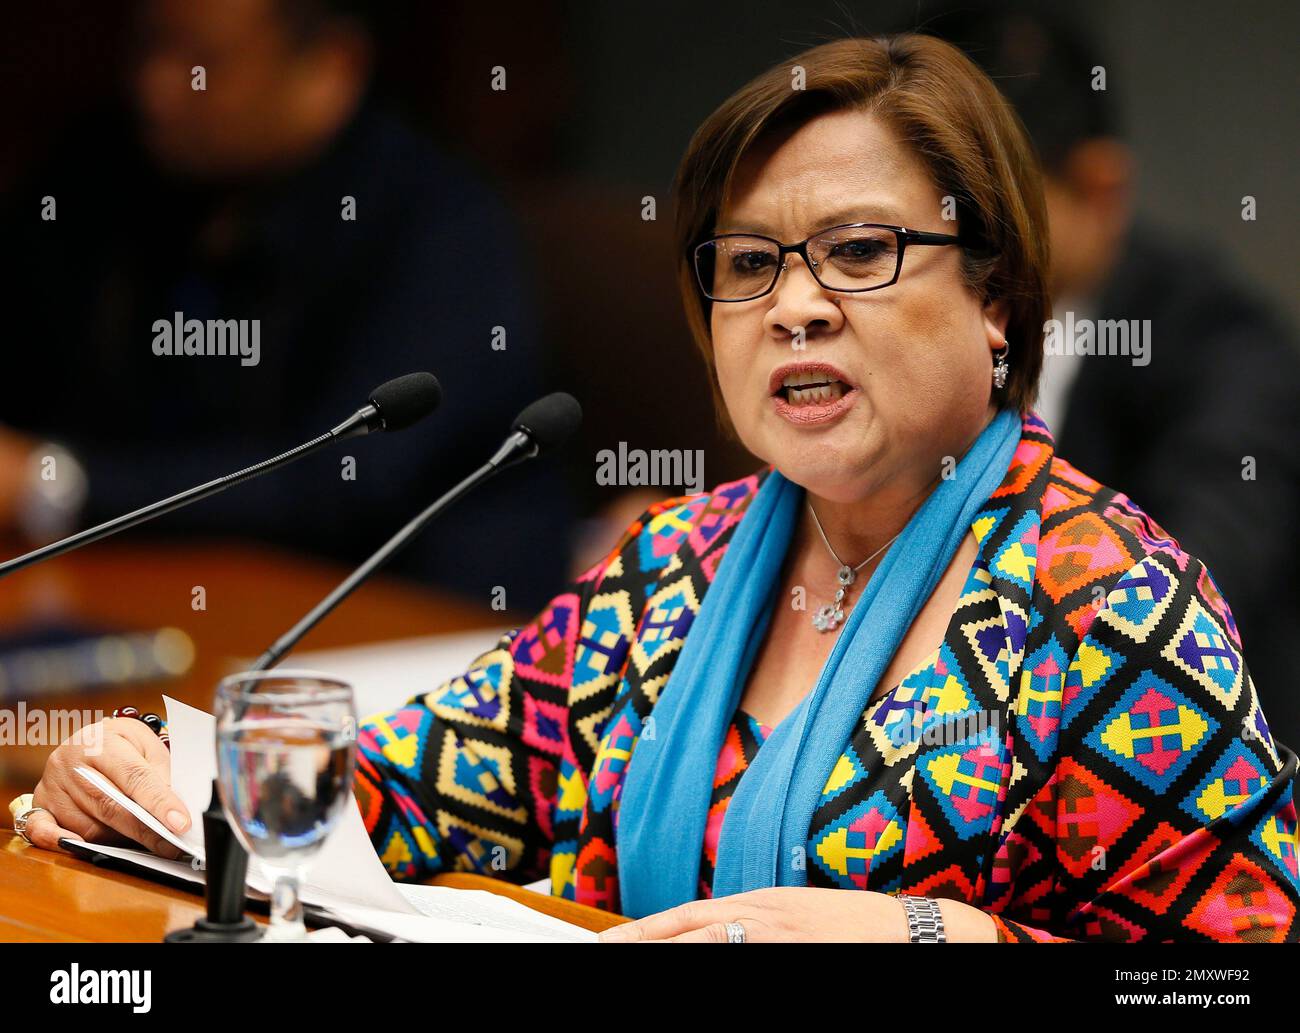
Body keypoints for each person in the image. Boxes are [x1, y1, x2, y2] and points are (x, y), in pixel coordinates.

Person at [15, 35, 1300, 942]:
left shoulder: (1115, 608)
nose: (794, 304)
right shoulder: (674, 566)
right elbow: (401, 791)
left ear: (997, 300)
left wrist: (934, 940)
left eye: (859, 250)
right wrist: (167, 782)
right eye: (745, 265)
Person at [0, 0, 572, 609]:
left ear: (329, 67)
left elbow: (341, 482)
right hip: (166, 600)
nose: (157, 88)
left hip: (419, 623)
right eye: (148, 47)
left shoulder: (441, 223)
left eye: (203, 62)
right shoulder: (106, 184)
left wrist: (58, 483)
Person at [917, 4, 1300, 749]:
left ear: (1098, 191)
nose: (934, 254)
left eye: (974, 216)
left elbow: (1198, 589)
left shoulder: (1222, 347)